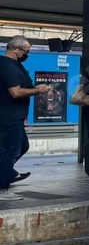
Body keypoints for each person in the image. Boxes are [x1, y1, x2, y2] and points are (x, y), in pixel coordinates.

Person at [0, 37, 54, 203]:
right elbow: (15, 92)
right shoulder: (9, 67)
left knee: (23, 145)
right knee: (10, 151)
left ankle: (8, 172)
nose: (27, 54)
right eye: (26, 51)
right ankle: (3, 187)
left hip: (13, 116)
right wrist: (38, 90)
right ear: (15, 49)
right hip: (9, 117)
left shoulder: (10, 64)